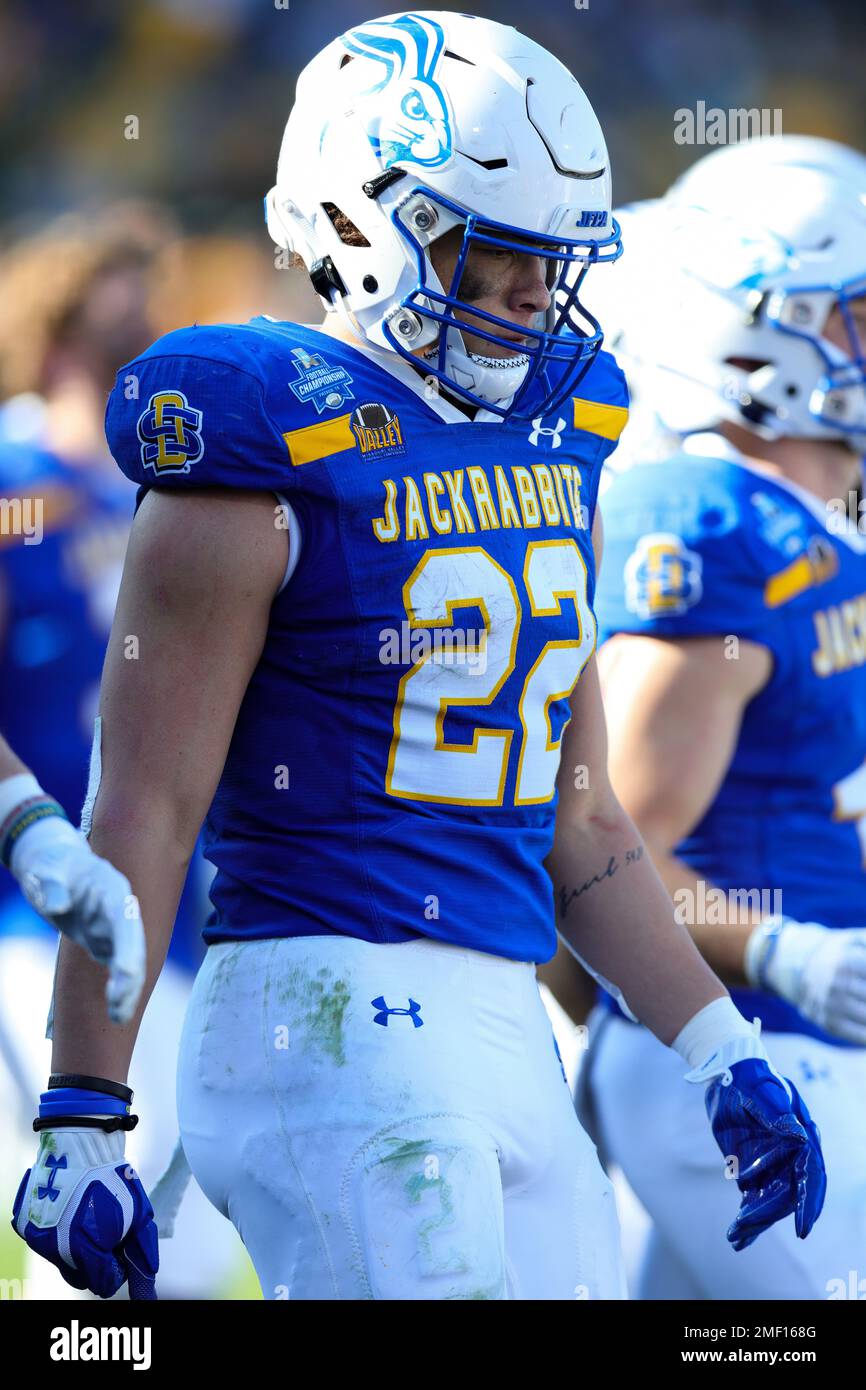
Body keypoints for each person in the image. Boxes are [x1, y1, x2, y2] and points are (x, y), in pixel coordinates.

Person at [14, 13, 825, 1301]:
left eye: (548, 262)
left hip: (508, 1020)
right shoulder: (259, 435)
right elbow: (145, 809)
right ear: (357, 223)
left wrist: (717, 1044)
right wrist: (82, 1106)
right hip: (320, 1008)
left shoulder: (563, 436)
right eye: (495, 251)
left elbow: (586, 822)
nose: (527, 295)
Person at [585, 135, 866, 1299]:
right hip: (748, 1050)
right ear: (759, 328)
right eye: (848, 315)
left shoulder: (808, 516)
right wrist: (783, 950)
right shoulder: (707, 521)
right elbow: (617, 843)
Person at [0, 209, 245, 1299]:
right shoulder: (16, 481)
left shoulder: (147, 486)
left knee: (173, 1254)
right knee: (92, 1247)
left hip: (166, 897)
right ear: (59, 320)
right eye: (121, 294)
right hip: (31, 909)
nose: (147, 311)